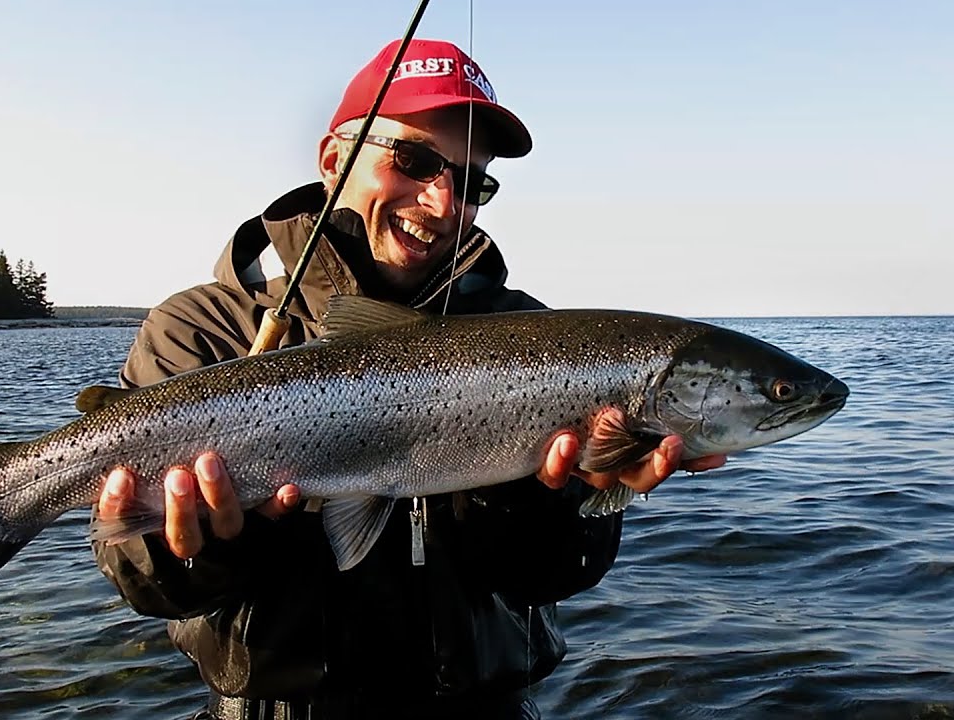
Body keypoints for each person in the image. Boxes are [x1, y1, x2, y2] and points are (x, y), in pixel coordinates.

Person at [92, 38, 725, 720]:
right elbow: (144, 583)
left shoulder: (535, 338)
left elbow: (552, 577)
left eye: (473, 182)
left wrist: (546, 498)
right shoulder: (204, 327)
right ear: (335, 160)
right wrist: (211, 542)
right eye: (415, 160)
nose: (443, 200)